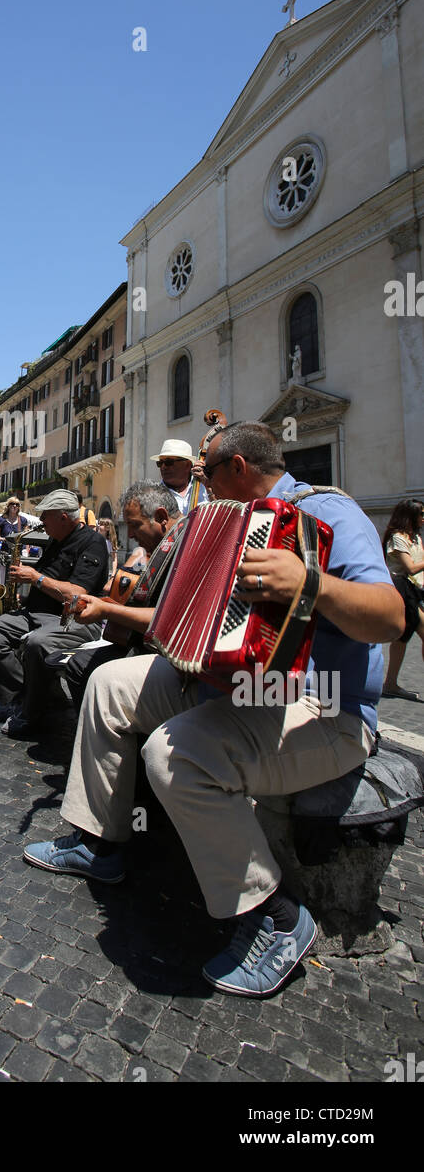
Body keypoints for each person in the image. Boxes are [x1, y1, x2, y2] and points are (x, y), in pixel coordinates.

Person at [23, 422, 405, 997]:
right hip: (227, 682)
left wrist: (309, 582)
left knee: (177, 753)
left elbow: (392, 617)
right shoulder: (225, 527)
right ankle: (98, 842)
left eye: (207, 473)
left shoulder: (328, 514)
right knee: (109, 684)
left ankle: (274, 915)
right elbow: (180, 620)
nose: (199, 487)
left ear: (239, 469)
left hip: (323, 704)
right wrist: (107, 608)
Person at [0, 489, 109, 738]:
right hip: (35, 612)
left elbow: (77, 594)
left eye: (46, 516)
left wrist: (35, 578)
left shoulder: (93, 542)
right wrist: (22, 594)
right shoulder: (55, 540)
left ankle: (31, 712)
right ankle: (23, 696)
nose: (41, 522)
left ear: (64, 517)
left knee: (38, 643)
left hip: (71, 619)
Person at [60, 483, 183, 716]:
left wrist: (106, 611)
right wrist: (103, 604)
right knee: (78, 664)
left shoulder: (184, 546)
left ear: (161, 517)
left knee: (84, 668)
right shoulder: (166, 543)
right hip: (143, 643)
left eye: (135, 525)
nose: (132, 536)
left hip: (163, 656)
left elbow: (166, 618)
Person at [381, 498, 424, 700]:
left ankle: (390, 683)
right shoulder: (397, 538)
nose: (423, 518)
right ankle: (390, 683)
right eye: (421, 514)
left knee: (402, 638)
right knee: (403, 636)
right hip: (402, 589)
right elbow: (410, 568)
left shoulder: (415, 537)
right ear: (410, 516)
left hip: (415, 590)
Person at [150, 439, 210, 514]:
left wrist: (208, 486)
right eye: (160, 463)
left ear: (187, 465)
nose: (163, 467)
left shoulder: (204, 487)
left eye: (169, 462)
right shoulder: (153, 496)